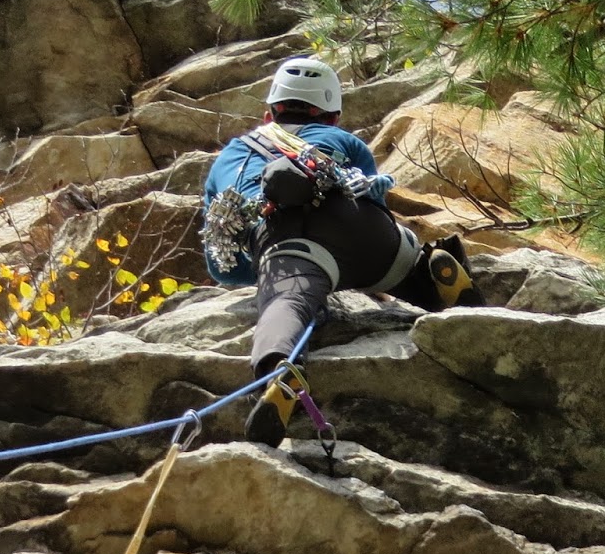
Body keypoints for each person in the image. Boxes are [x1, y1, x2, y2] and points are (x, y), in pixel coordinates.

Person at [202, 55, 485, 445]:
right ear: (331, 116)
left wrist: (268, 273)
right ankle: (430, 277)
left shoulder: (230, 158)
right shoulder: (343, 141)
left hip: (291, 245)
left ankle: (279, 369)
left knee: (287, 304)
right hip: (363, 231)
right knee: (401, 265)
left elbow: (223, 267)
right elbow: (377, 206)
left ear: (269, 113)